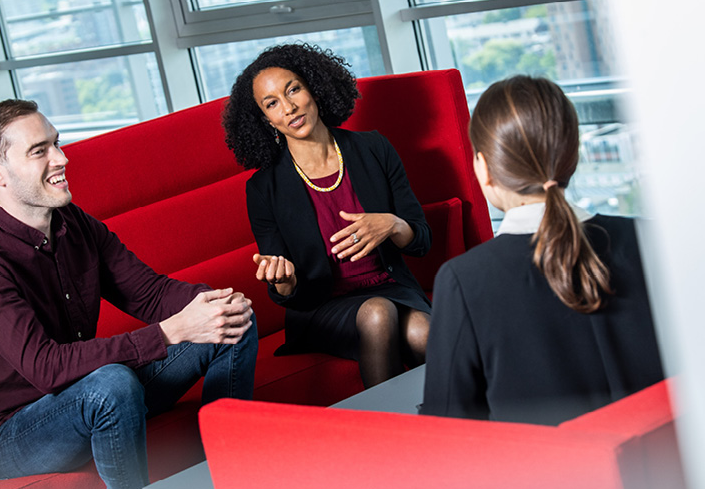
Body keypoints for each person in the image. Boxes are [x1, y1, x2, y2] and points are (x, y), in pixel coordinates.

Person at [0, 100, 258, 489]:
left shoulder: (73, 223)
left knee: (230, 321)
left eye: (57, 143)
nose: (62, 158)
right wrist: (168, 334)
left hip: (84, 396)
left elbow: (149, 293)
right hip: (3, 437)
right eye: (40, 151)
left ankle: (231, 488)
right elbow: (47, 368)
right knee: (110, 385)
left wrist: (213, 301)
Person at [421, 75, 664, 425]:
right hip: (670, 470)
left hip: (545, 477)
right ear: (572, 157)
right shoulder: (647, 238)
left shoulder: (465, 281)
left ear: (484, 168)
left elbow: (448, 425)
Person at [223, 43, 431, 388]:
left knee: (424, 332)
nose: (289, 108)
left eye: (294, 90)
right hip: (323, 307)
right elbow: (287, 292)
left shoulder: (373, 149)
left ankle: (472, 433)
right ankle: (396, 438)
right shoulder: (263, 188)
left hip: (392, 288)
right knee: (377, 314)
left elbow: (421, 240)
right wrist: (283, 280)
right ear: (266, 120)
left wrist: (392, 224)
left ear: (314, 88)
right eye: (272, 103)